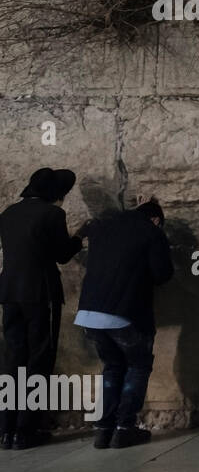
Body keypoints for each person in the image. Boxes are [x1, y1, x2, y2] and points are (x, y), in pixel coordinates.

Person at [74, 199, 174, 449]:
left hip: (88, 313)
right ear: (156, 220)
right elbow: (163, 274)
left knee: (112, 366)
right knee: (138, 365)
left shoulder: (102, 226)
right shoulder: (151, 231)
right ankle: (124, 428)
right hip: (125, 313)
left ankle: (103, 429)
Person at [0, 168, 82, 450]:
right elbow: (61, 254)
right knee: (39, 360)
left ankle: (6, 429)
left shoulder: (8, 213)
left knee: (13, 360)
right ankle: (26, 430)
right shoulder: (52, 215)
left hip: (9, 294)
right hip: (39, 293)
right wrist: (79, 237)